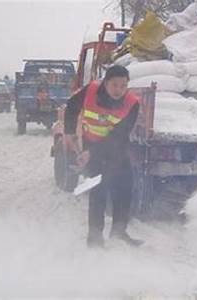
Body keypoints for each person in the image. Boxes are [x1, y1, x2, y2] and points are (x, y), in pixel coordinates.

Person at [64, 65, 143, 248]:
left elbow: (118, 137)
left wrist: (90, 153)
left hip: (116, 148)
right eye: (115, 85)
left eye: (123, 86)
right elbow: (72, 106)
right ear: (105, 82)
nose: (119, 90)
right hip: (92, 144)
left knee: (124, 187)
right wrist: (69, 132)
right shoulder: (90, 90)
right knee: (99, 189)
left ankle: (118, 231)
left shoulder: (132, 103)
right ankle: (94, 238)